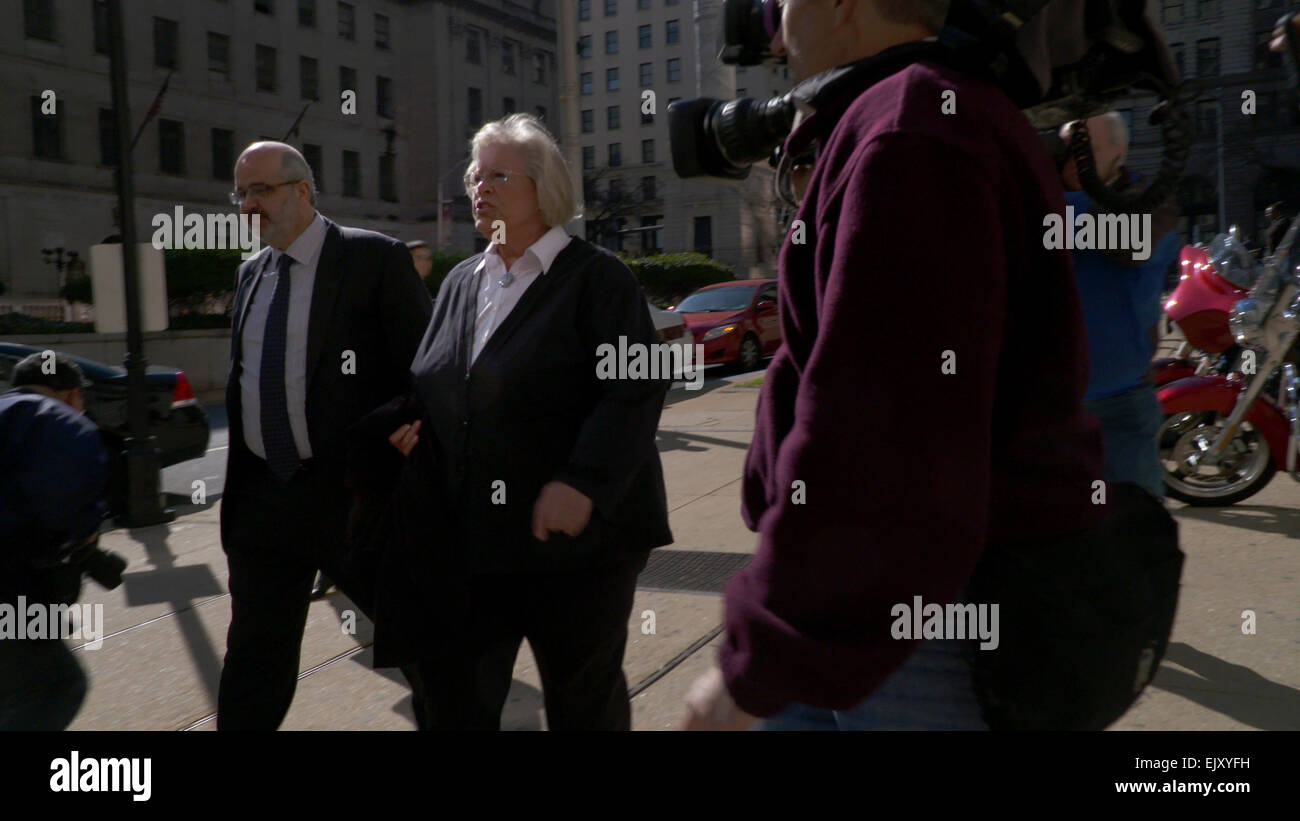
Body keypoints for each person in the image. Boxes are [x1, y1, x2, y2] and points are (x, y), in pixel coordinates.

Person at [681, 0, 1106, 730]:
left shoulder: (910, 129)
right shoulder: (925, 112)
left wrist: (763, 659)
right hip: (892, 596)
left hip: (919, 614)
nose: (775, 34)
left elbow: (880, 427)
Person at [397, 113, 672, 730]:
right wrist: (408, 425)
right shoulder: (460, 283)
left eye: (499, 176)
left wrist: (583, 483)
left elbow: (636, 388)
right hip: (474, 542)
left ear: (543, 189)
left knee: (584, 706)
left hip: (577, 550)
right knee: (455, 701)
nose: (480, 187)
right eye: (475, 176)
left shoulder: (598, 277)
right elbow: (437, 381)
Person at [217, 141, 432, 730]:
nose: (249, 206)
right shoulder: (250, 275)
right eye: (241, 194)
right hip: (264, 500)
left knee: (419, 648)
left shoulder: (373, 259)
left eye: (262, 191)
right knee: (254, 658)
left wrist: (404, 444)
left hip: (353, 499)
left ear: (303, 191)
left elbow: (426, 369)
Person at [1058, 113, 1180, 500]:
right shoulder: (1045, 200)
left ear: (1119, 152)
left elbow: (1129, 245)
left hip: (1120, 402)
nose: (1077, 161)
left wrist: (1055, 210)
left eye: (1089, 150)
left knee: (1134, 522)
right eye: (1069, 150)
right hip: (1052, 402)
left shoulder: (1153, 203)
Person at [0, 353, 105, 730]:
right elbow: (68, 506)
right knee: (56, 687)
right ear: (73, 394)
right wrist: (86, 544)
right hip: (11, 582)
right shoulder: (61, 422)